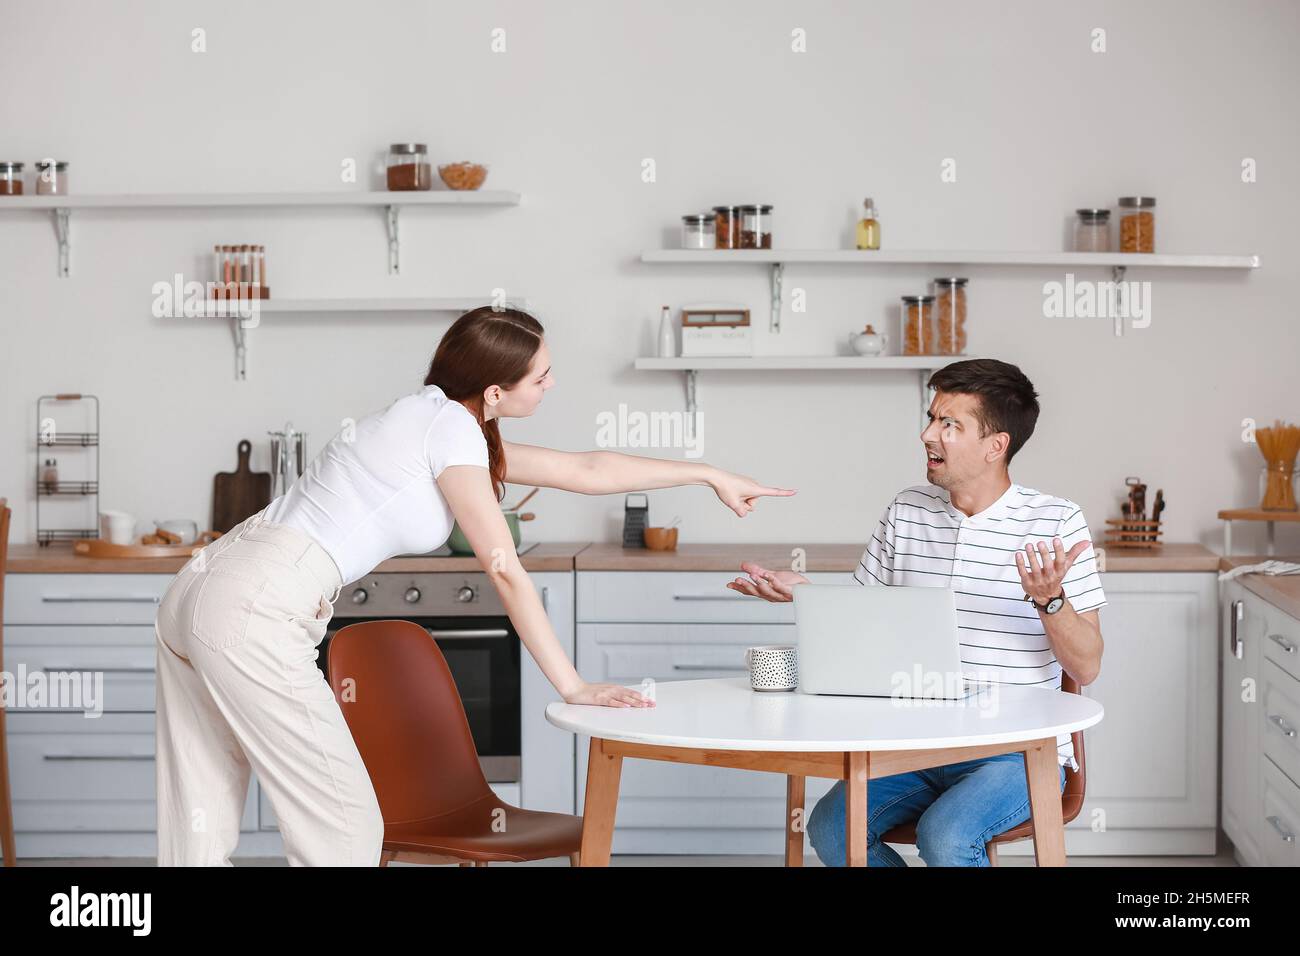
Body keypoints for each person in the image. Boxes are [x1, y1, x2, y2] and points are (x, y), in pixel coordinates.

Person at [154, 306, 795, 866]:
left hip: (207, 586)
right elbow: (503, 565)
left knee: (198, 820)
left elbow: (586, 468)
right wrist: (572, 684)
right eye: (541, 377)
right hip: (257, 601)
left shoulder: (435, 421)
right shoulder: (451, 430)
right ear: (494, 390)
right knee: (344, 824)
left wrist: (708, 473)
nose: (550, 385)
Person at [726, 358, 1104, 866]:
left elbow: (1087, 666)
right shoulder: (908, 510)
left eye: (950, 425)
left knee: (946, 836)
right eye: (931, 419)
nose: (928, 435)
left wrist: (1050, 601)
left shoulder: (1055, 521)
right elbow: (864, 621)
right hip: (915, 744)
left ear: (995, 445)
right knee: (832, 828)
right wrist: (807, 593)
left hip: (1015, 752)